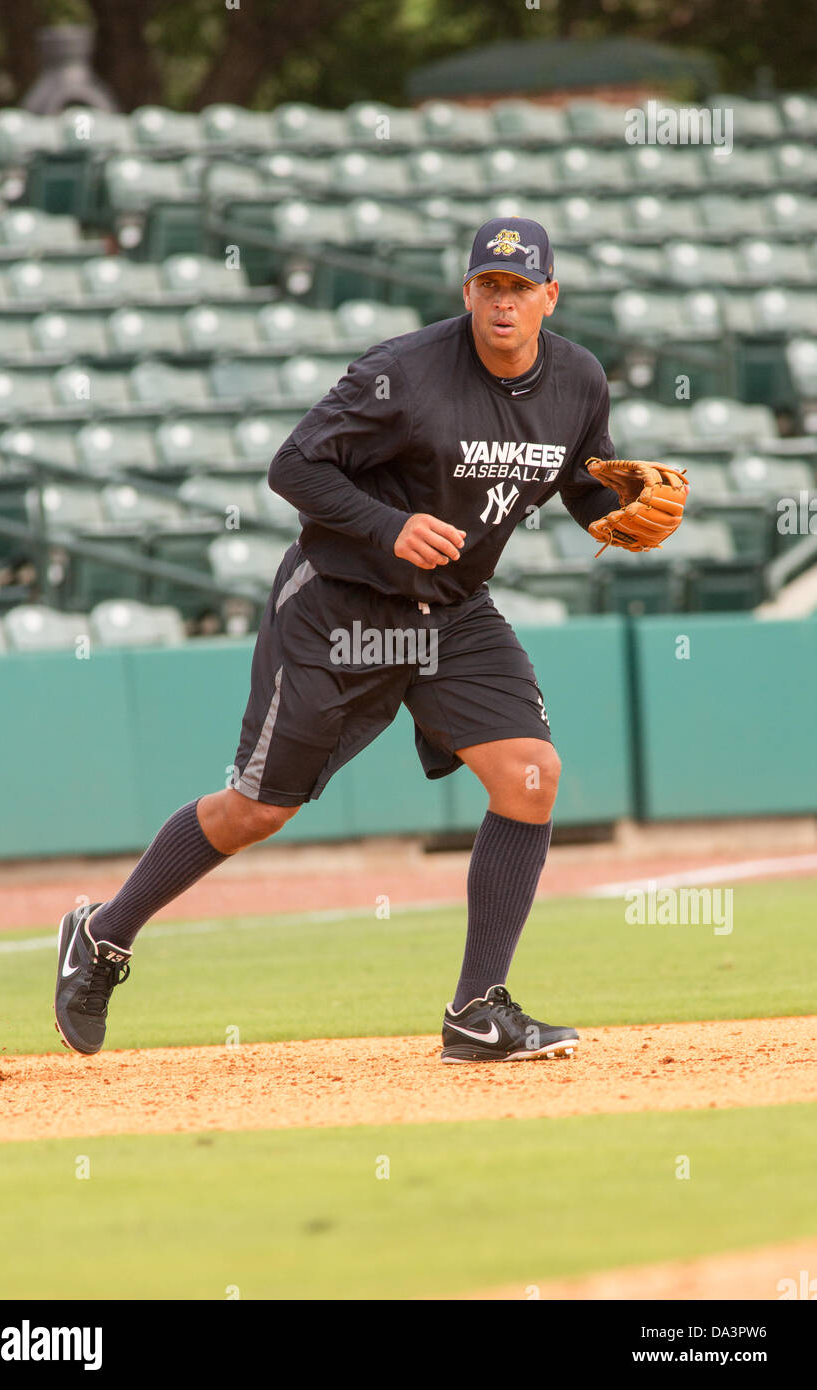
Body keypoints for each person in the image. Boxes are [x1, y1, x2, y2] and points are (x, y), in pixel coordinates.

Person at [55, 216, 621, 1063]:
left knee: (531, 775)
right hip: (342, 608)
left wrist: (620, 507)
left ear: (550, 295)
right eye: (489, 287)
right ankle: (101, 935)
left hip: (454, 611)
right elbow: (294, 467)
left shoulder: (578, 379)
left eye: (521, 288)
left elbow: (581, 480)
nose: (504, 303)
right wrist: (390, 526)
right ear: (467, 292)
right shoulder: (405, 373)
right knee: (257, 809)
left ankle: (476, 1011)